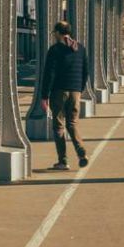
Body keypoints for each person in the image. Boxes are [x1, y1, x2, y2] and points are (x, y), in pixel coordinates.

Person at [39, 21, 90, 171]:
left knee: (59, 126)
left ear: (58, 33)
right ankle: (81, 152)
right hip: (75, 91)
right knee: (72, 124)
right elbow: (85, 71)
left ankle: (63, 161)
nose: (53, 35)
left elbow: (49, 74)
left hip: (59, 92)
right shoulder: (80, 49)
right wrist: (79, 89)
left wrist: (44, 96)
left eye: (54, 32)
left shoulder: (55, 50)